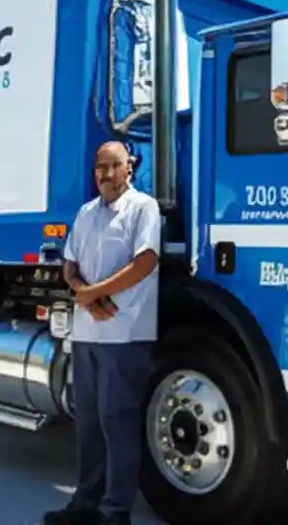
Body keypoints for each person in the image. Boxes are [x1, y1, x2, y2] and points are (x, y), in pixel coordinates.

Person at [44, 141, 162, 525]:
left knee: (117, 420)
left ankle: (115, 512)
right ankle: (85, 504)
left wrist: (94, 293)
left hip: (125, 334)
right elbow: (69, 266)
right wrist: (86, 294)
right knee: (89, 422)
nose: (106, 175)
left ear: (130, 167)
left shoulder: (143, 208)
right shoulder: (86, 212)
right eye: (100, 168)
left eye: (114, 167)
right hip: (87, 334)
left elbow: (145, 261)